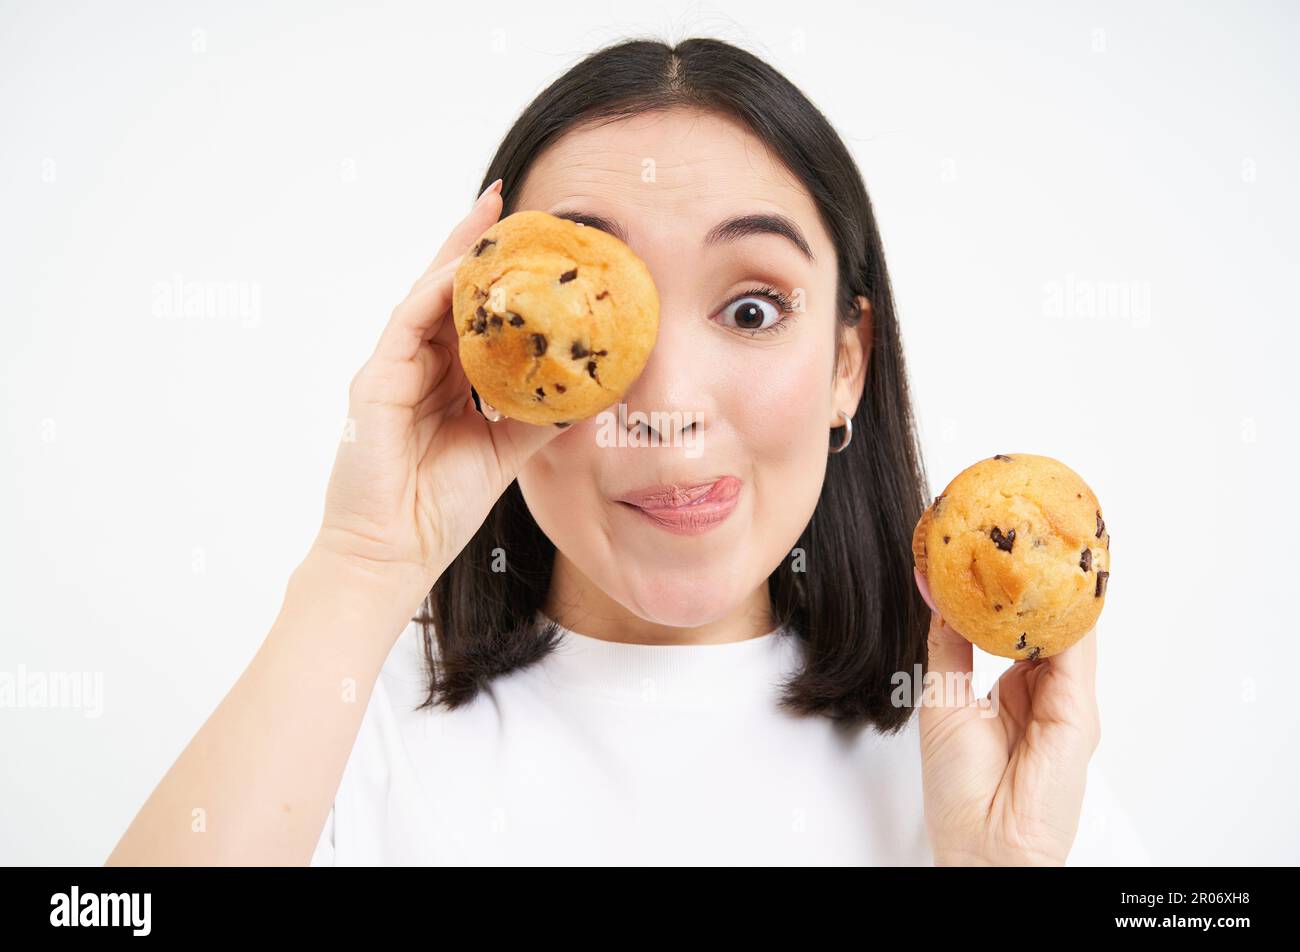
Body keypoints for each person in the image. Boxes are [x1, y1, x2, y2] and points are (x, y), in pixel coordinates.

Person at [106, 37, 1147, 867]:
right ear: (484, 347)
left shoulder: (991, 768)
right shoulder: (339, 733)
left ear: (846, 361)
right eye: (587, 303)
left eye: (749, 306)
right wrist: (362, 562)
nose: (666, 403)